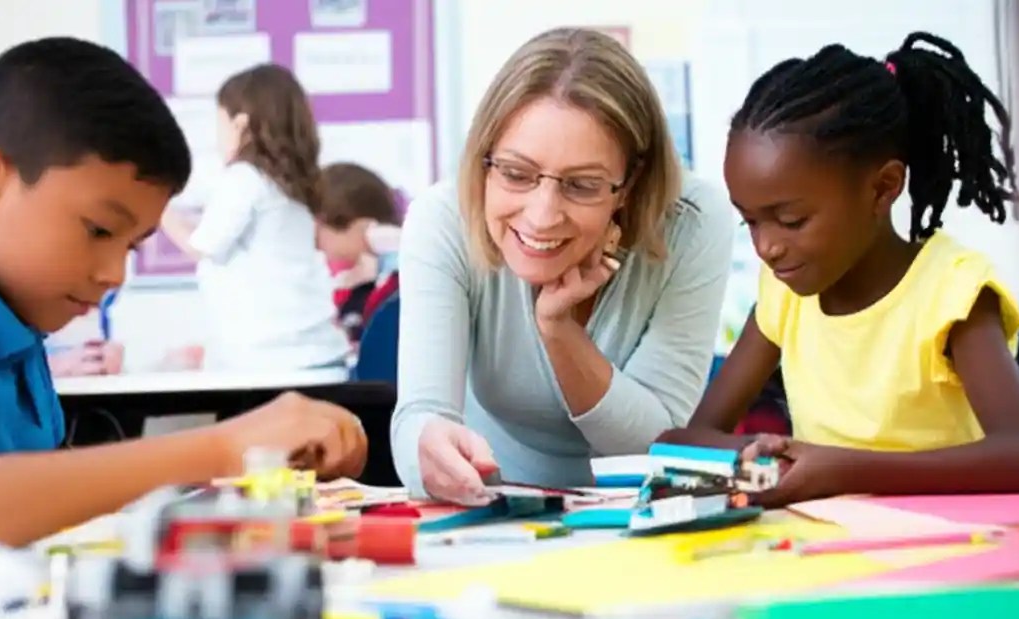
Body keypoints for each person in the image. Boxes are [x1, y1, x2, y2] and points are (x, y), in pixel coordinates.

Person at [0, 37, 366, 544]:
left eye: (130, 245)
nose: (114, 273)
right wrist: (223, 447)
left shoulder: (11, 324)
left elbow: (36, 503)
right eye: (99, 230)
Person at [660, 32, 1019, 506]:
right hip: (827, 555)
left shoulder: (952, 293)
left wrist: (843, 469)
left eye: (791, 221)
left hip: (944, 552)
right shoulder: (784, 295)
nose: (767, 247)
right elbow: (690, 439)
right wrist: (769, 455)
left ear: (883, 187)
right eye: (751, 221)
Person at [391, 28, 734, 504]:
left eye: (583, 185)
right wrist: (427, 451)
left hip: (635, 514)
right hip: (492, 513)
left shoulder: (693, 223)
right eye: (515, 173)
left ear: (630, 184)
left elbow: (652, 442)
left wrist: (559, 330)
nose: (542, 215)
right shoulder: (443, 219)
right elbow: (419, 418)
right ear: (484, 159)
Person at [161, 64, 349, 378]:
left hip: (265, 361)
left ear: (240, 125)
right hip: (315, 352)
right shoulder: (293, 183)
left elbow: (203, 245)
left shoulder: (243, 178)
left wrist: (159, 209)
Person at [316, 161, 402, 342]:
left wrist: (380, 238)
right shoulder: (351, 287)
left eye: (321, 228)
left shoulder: (395, 279)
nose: (316, 241)